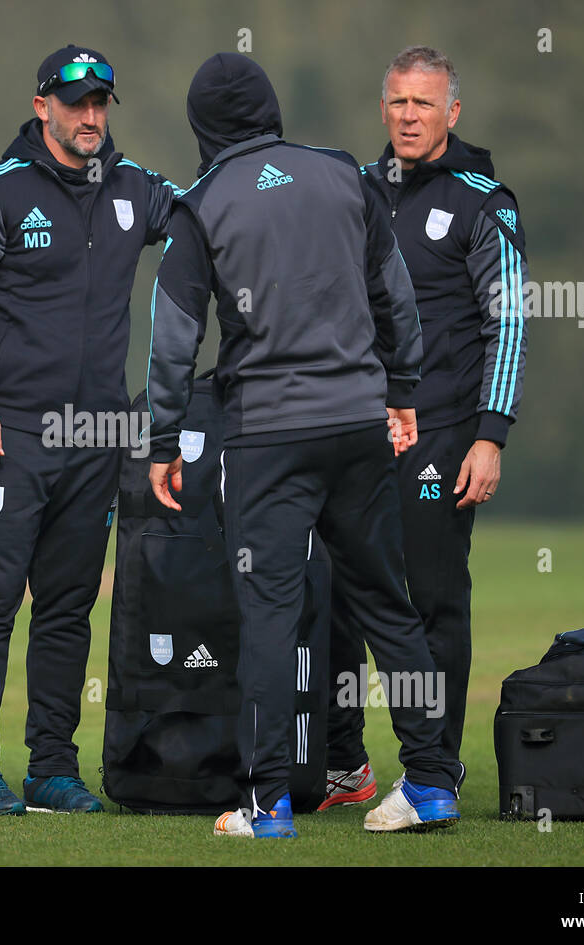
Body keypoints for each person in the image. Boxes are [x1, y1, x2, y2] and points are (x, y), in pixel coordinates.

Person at [146, 52, 461, 837]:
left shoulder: (203, 202)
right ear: (271, 109)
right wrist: (401, 390)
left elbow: (174, 338)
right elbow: (397, 295)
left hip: (267, 439)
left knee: (268, 618)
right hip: (357, 424)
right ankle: (428, 781)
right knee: (390, 605)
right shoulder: (343, 173)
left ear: (203, 128)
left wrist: (161, 439)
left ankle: (265, 805)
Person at [0, 45, 182, 815]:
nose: (90, 117)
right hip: (8, 435)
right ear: (42, 106)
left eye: (101, 103)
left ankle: (51, 768)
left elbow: (208, 217)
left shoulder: (135, 188)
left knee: (69, 608)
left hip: (96, 441)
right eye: (75, 103)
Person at [321, 46, 530, 810]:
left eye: (424, 103)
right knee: (336, 594)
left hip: (442, 432)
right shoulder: (358, 189)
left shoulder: (484, 201)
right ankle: (343, 766)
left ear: (453, 113)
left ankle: (434, 769)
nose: (409, 116)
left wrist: (490, 435)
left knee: (431, 599)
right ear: (384, 108)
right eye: (398, 102)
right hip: (350, 431)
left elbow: (508, 324)